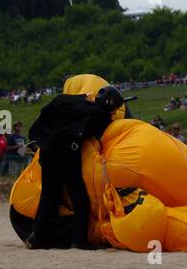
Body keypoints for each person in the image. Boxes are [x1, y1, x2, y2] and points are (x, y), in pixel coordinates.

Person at [27, 87, 123, 250]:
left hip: (47, 149)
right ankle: (79, 240)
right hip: (66, 152)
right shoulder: (97, 114)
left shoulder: (71, 100)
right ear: (109, 104)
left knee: (49, 195)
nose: (114, 113)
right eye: (114, 109)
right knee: (79, 197)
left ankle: (36, 236)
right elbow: (108, 131)